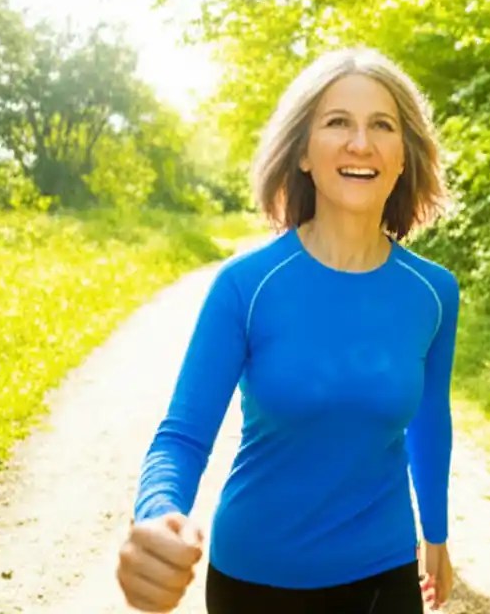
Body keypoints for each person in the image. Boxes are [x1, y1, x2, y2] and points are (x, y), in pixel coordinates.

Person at [116, 47, 460, 613]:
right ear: (303, 152)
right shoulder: (245, 286)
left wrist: (438, 535)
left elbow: (430, 418)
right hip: (256, 580)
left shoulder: (433, 292)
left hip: (385, 574)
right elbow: (182, 437)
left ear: (404, 156)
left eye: (382, 125)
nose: (360, 142)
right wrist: (156, 515)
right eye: (337, 123)